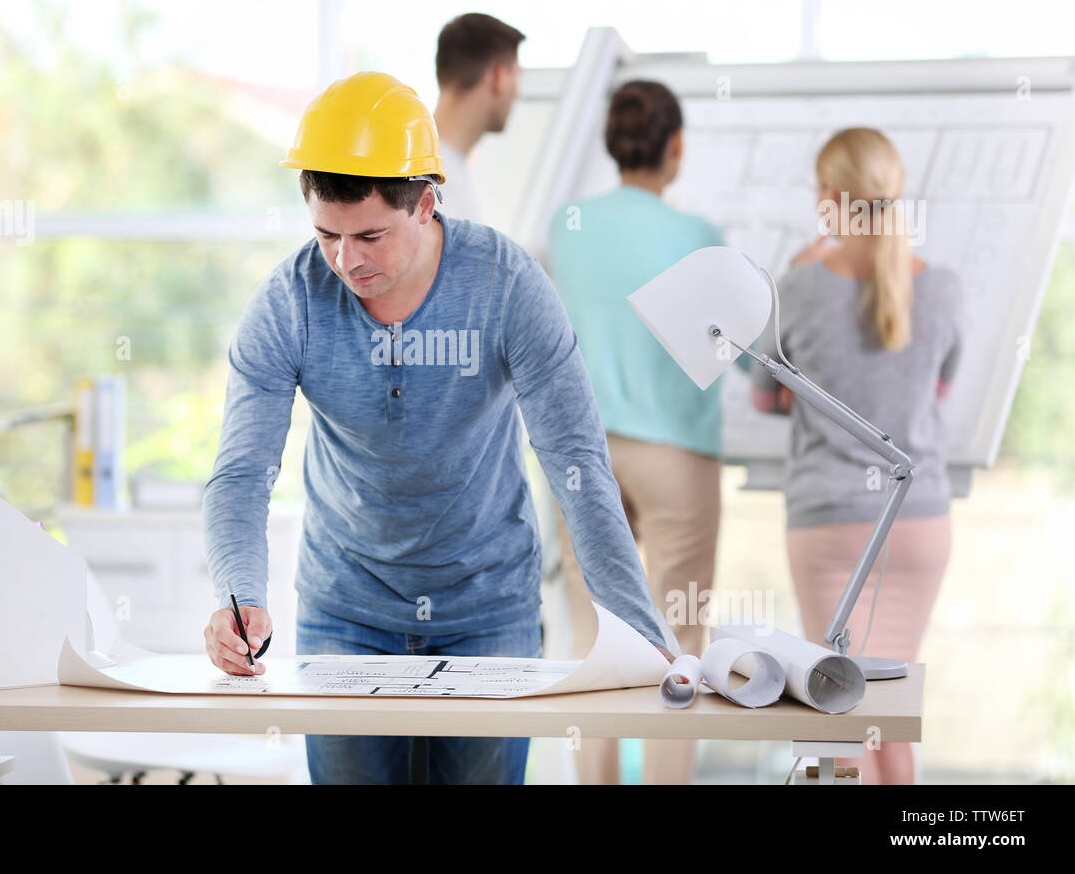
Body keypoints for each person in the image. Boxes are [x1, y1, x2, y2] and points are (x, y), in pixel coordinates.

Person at [201, 71, 679, 785]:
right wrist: (239, 594)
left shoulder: (507, 284)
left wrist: (640, 631)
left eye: (368, 235)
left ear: (426, 202)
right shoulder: (289, 301)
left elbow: (575, 463)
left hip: (489, 604)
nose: (346, 261)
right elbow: (242, 472)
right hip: (345, 607)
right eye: (327, 234)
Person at [749, 127, 964, 785]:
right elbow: (938, 390)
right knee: (889, 712)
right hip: (919, 523)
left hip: (830, 523)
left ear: (829, 198)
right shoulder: (946, 287)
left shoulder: (799, 286)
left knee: (839, 713)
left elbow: (764, 396)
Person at [545, 80, 724, 785]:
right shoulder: (699, 236)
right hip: (675, 451)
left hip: (583, 451)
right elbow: (728, 346)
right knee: (679, 637)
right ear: (674, 147)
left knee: (595, 635)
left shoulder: (568, 224)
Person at [432, 13, 525, 222]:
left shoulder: (439, 166)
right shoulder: (437, 183)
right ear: (498, 77)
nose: (517, 92)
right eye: (516, 76)